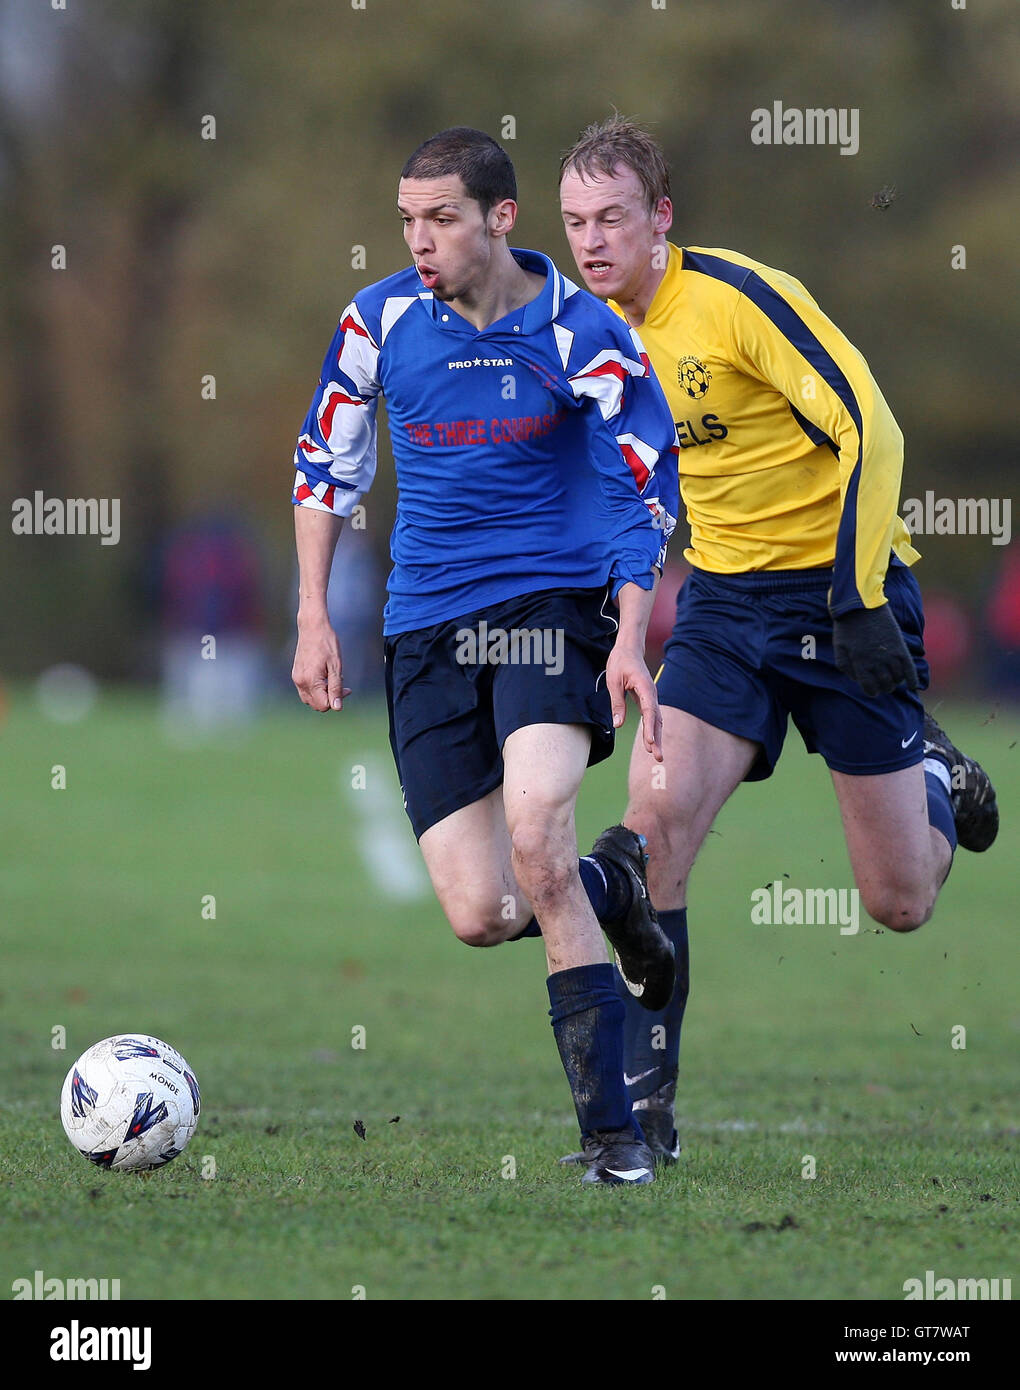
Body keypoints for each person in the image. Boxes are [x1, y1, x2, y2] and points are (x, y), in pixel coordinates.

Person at [556, 115, 999, 1166]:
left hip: (845, 596)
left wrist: (853, 595)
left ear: (661, 218)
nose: (593, 240)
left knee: (898, 902)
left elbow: (869, 426)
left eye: (613, 216)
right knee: (651, 831)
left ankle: (937, 773)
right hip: (724, 610)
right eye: (575, 221)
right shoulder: (583, 335)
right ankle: (645, 1126)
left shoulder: (736, 299)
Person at [290, 127, 682, 1185]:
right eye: (408, 220)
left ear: (501, 217)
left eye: (442, 219)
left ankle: (616, 1141)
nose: (420, 239)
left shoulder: (581, 332)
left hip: (551, 611)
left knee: (537, 836)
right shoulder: (376, 322)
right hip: (424, 628)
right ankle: (618, 888)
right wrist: (313, 616)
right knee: (483, 909)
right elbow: (327, 466)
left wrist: (632, 631)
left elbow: (645, 487)